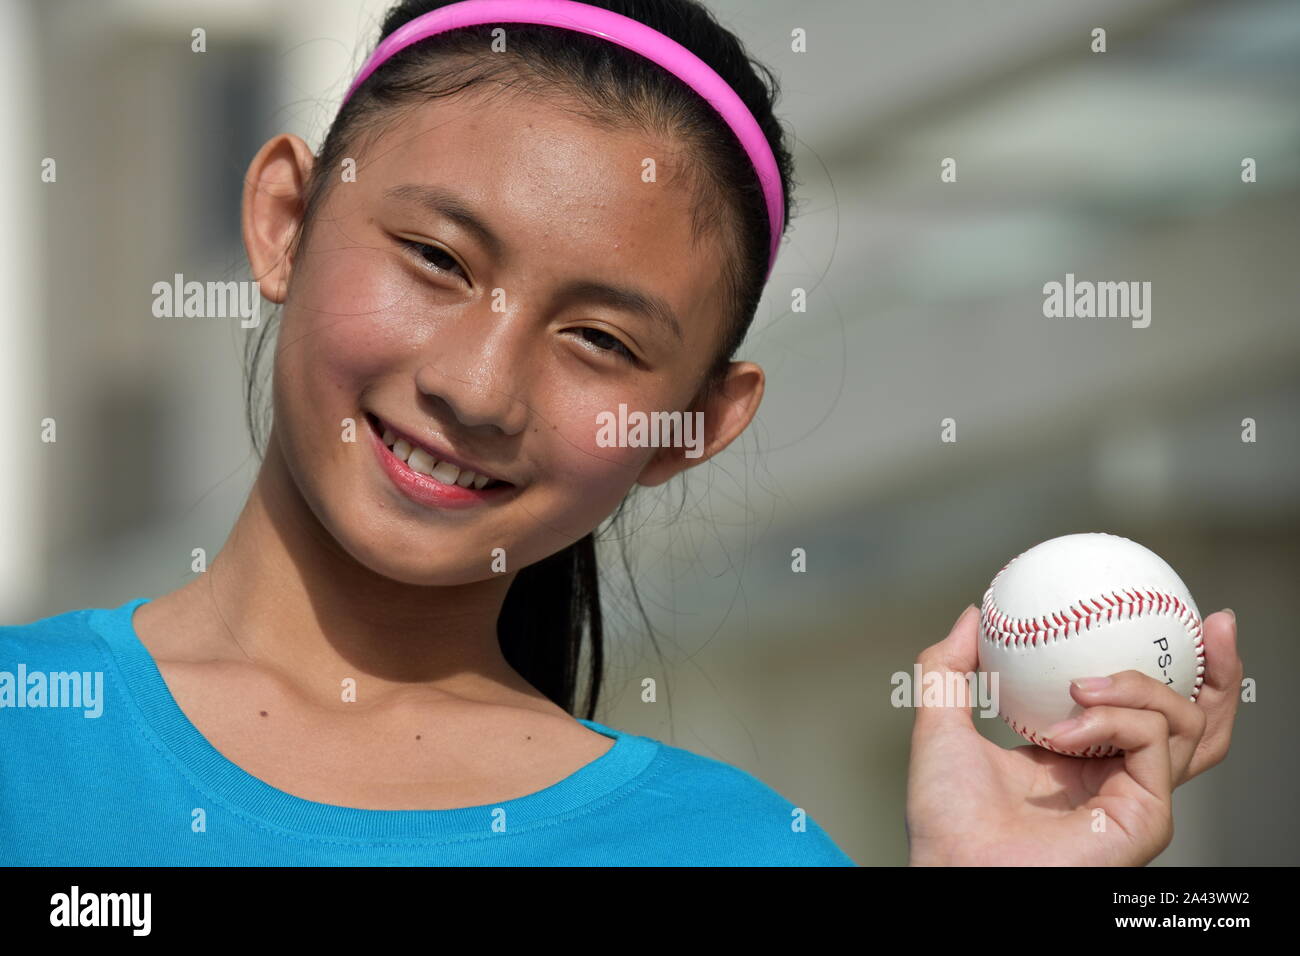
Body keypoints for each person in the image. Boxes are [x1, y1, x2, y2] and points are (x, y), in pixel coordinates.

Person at [0, 0, 1241, 866]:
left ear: (691, 427)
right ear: (283, 220)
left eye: (599, 339)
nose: (481, 387)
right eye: (435, 257)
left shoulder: (740, 854)